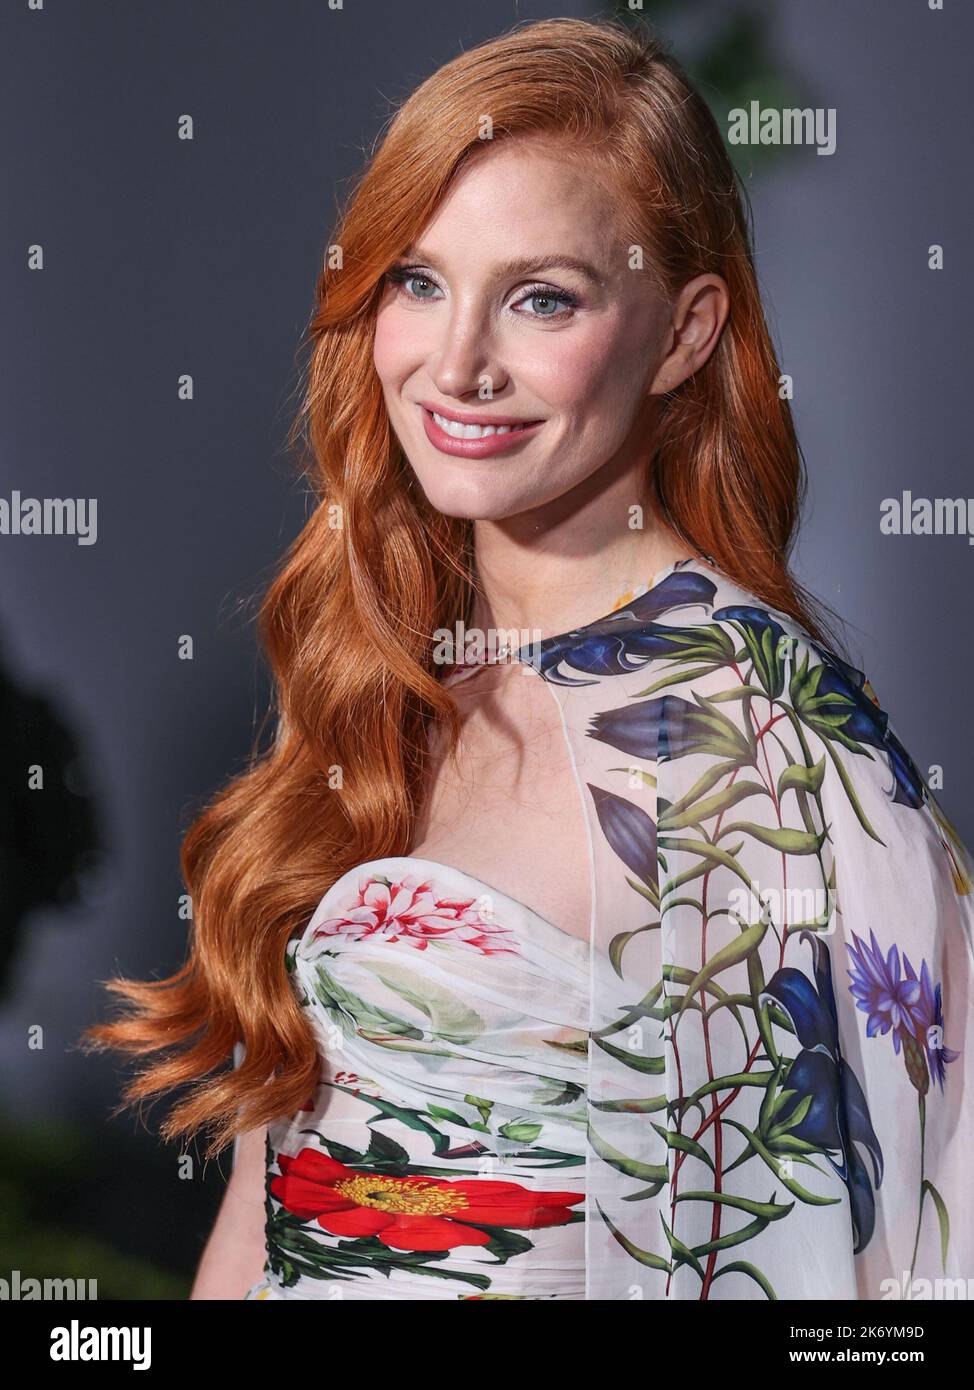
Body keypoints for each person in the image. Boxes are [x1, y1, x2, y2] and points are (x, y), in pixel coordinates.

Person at [83, 16, 974, 1301]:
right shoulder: (386, 674)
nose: (456, 365)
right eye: (417, 280)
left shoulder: (757, 731)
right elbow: (276, 1196)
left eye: (540, 297)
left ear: (681, 334)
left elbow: (924, 1232)